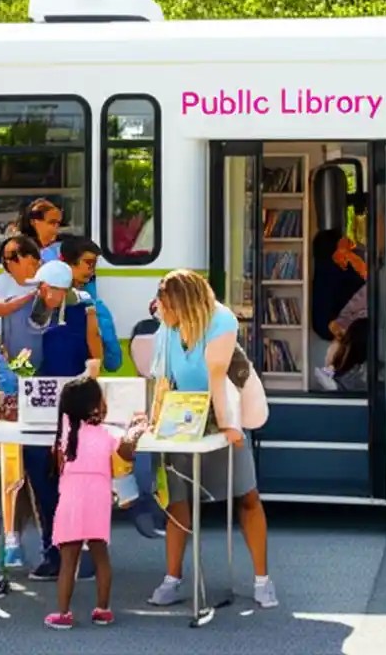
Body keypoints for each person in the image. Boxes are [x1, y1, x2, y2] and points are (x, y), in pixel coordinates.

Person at [148, 269, 278, 609]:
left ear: (183, 304)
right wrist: (153, 419)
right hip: (182, 418)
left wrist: (229, 426)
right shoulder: (166, 328)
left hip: (225, 412)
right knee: (178, 503)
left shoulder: (221, 320)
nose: (160, 310)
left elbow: (218, 378)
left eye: (164, 305)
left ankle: (263, 580)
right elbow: (162, 378)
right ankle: (172, 578)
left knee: (247, 497)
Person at [45, 374, 151, 630]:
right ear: (94, 406)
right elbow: (126, 451)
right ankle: (103, 609)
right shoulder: (107, 433)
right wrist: (135, 431)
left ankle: (63, 613)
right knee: (101, 556)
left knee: (68, 561)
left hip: (70, 499)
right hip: (98, 498)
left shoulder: (66, 433)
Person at [22, 260, 101, 581]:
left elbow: (96, 358)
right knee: (41, 476)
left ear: (59, 289)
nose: (41, 292)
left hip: (76, 407)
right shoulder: (35, 311)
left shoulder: (86, 311)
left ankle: (83, 553)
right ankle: (52, 549)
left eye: (45, 287)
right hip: (39, 404)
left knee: (77, 482)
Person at [0, 235, 44, 576]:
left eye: (35, 262)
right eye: (28, 261)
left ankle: (22, 542)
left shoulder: (47, 289)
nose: (34, 268)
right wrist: (25, 297)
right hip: (4, 389)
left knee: (34, 471)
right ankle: (2, 550)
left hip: (39, 387)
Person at [59, 237, 122, 373]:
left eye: (94, 264)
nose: (92, 269)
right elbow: (112, 360)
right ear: (67, 263)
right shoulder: (88, 302)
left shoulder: (90, 302)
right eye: (88, 263)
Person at [17, 198, 65, 263]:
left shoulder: (63, 248)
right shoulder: (21, 249)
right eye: (51, 222)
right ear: (34, 222)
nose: (56, 227)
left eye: (58, 223)